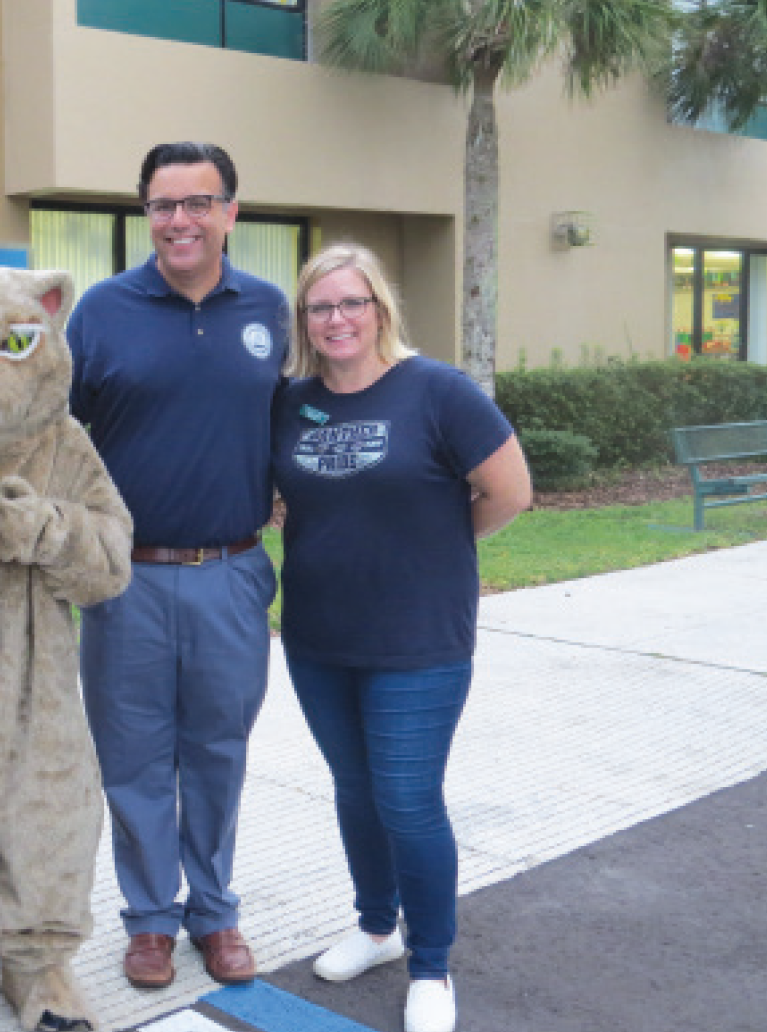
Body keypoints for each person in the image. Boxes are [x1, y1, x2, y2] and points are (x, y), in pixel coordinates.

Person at [272, 244, 532, 1032]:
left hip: (419, 639)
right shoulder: (289, 401)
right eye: (320, 307)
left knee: (408, 800)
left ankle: (430, 965)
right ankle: (376, 927)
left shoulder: (437, 391)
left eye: (352, 303)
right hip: (316, 635)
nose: (336, 319)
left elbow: (507, 493)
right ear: (305, 322)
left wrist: (431, 550)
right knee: (354, 791)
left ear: (380, 310)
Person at [67, 142, 288, 989]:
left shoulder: (268, 309)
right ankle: (150, 920)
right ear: (145, 215)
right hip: (125, 579)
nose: (179, 220)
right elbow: (50, 427)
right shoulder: (102, 311)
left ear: (231, 211)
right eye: (163, 205)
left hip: (231, 573)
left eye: (198, 202)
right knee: (131, 758)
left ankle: (215, 911)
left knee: (216, 752)